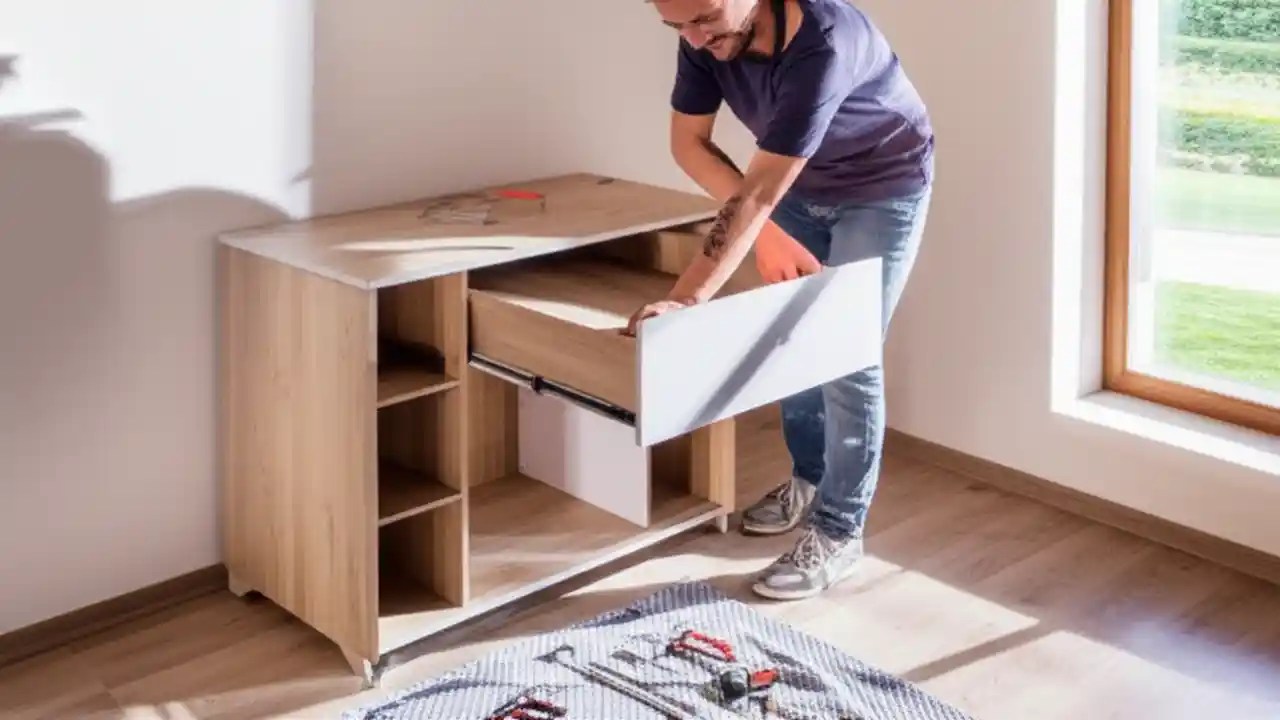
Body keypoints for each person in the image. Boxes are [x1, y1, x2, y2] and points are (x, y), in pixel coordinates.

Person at [624, 0, 935, 600]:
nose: (693, 38)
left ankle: (841, 531)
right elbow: (688, 144)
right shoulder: (702, 35)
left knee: (847, 353)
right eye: (677, 27)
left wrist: (686, 302)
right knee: (790, 335)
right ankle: (810, 480)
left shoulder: (825, 43)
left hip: (883, 187)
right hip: (793, 181)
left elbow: (760, 190)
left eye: (705, 19)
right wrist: (766, 232)